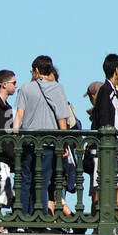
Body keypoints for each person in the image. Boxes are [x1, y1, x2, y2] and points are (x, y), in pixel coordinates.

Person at [13, 55, 72, 220]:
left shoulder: (25, 88)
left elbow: (19, 115)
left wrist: (16, 136)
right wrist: (64, 144)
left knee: (25, 180)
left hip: (27, 142)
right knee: (43, 181)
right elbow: (62, 120)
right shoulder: (58, 89)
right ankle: (41, 217)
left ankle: (23, 217)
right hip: (49, 143)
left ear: (37, 70)